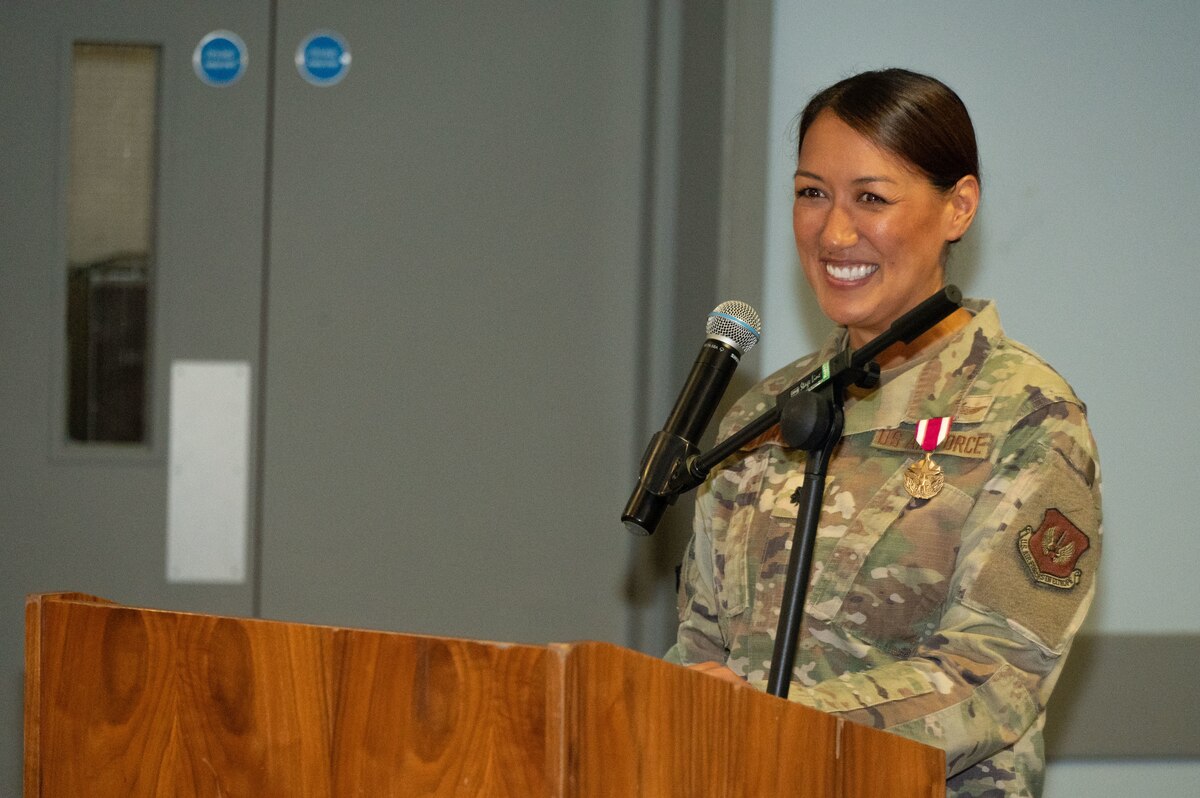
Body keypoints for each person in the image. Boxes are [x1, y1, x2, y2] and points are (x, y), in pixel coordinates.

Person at [665, 68, 1102, 798]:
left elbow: (991, 681)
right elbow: (700, 652)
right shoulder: (765, 415)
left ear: (958, 206)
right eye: (812, 193)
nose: (835, 231)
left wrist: (776, 720)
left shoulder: (1029, 416)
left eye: (871, 197)